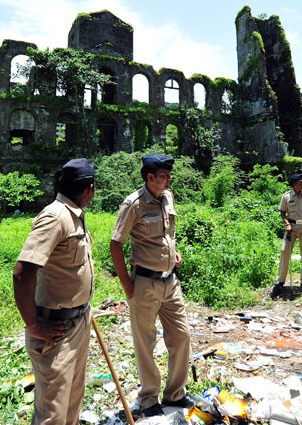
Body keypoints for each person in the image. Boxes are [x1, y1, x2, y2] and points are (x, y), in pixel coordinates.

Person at [13, 158, 96, 425]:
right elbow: (23, 272)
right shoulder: (54, 217)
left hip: (77, 322)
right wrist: (33, 325)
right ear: (89, 189)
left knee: (72, 399)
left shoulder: (74, 216)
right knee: (52, 413)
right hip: (55, 328)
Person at [110, 154, 193, 417]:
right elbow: (116, 244)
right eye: (164, 176)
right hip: (144, 283)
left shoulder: (167, 197)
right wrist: (127, 286)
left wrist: (174, 253)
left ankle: (175, 394)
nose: (169, 179)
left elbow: (168, 234)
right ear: (149, 177)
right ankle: (149, 399)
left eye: (169, 175)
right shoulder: (133, 205)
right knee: (145, 343)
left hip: (170, 282)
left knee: (181, 337)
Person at [272, 172, 302, 297]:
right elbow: (282, 212)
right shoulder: (286, 196)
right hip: (291, 228)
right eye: (301, 181)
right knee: (284, 251)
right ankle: (281, 280)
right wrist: (287, 223)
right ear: (295, 183)